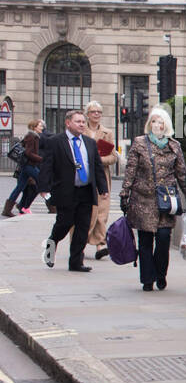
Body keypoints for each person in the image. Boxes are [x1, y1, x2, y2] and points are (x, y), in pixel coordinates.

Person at [120, 106, 185, 292]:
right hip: (143, 198)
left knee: (164, 238)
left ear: (167, 125)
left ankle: (161, 273)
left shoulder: (174, 146)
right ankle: (147, 278)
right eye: (155, 121)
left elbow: (182, 174)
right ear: (150, 124)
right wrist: (125, 193)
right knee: (146, 240)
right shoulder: (140, 143)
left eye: (161, 122)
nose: (158, 125)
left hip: (166, 200)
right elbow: (131, 170)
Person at [41, 109, 108, 273]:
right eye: (78, 121)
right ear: (68, 123)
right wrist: (44, 188)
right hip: (66, 191)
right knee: (63, 225)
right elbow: (47, 166)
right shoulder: (56, 141)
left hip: (86, 190)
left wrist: (103, 188)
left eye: (83, 122)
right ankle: (50, 247)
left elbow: (97, 167)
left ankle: (76, 262)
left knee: (83, 228)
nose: (82, 124)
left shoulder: (89, 143)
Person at [83, 101, 118, 259]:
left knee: (102, 212)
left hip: (101, 176)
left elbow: (113, 157)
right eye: (93, 111)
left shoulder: (107, 133)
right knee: (85, 212)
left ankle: (100, 245)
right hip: (83, 175)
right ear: (87, 114)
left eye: (99, 111)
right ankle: (80, 244)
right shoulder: (81, 130)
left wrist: (98, 160)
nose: (96, 114)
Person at [3, 119, 43, 217]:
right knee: (43, 181)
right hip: (29, 165)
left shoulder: (34, 136)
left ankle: (8, 210)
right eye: (40, 126)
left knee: (20, 187)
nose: (42, 127)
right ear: (34, 127)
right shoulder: (31, 137)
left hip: (27, 166)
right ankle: (52, 206)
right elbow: (28, 153)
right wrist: (41, 159)